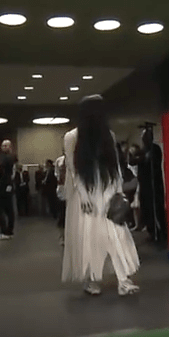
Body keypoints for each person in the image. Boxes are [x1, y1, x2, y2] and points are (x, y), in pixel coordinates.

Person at [62, 95, 140, 296]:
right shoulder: (72, 137)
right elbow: (73, 169)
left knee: (116, 234)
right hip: (86, 191)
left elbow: (114, 167)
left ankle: (123, 280)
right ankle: (92, 279)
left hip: (106, 189)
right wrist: (83, 195)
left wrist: (119, 192)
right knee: (90, 237)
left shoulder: (108, 136)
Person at [138, 127, 166, 245]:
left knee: (156, 209)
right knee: (146, 209)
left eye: (146, 138)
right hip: (144, 185)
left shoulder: (155, 149)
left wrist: (144, 158)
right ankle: (151, 232)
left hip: (154, 185)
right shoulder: (143, 150)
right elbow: (136, 161)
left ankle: (160, 233)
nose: (144, 140)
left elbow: (153, 162)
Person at [0, 140, 17, 240]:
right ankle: (9, 231)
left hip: (5, 185)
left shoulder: (7, 158)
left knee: (0, 209)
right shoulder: (11, 158)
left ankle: (4, 231)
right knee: (9, 209)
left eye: (6, 146)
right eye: (2, 146)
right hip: (6, 185)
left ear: (10, 147)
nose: (3, 147)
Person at [127, 144, 143, 231]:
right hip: (133, 184)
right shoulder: (129, 164)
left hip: (139, 184)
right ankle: (135, 223)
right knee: (134, 206)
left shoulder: (139, 162)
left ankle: (139, 224)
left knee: (138, 205)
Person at [55, 151, 67, 246]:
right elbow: (57, 174)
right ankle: (62, 236)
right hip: (62, 190)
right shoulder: (59, 160)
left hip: (74, 192)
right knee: (62, 214)